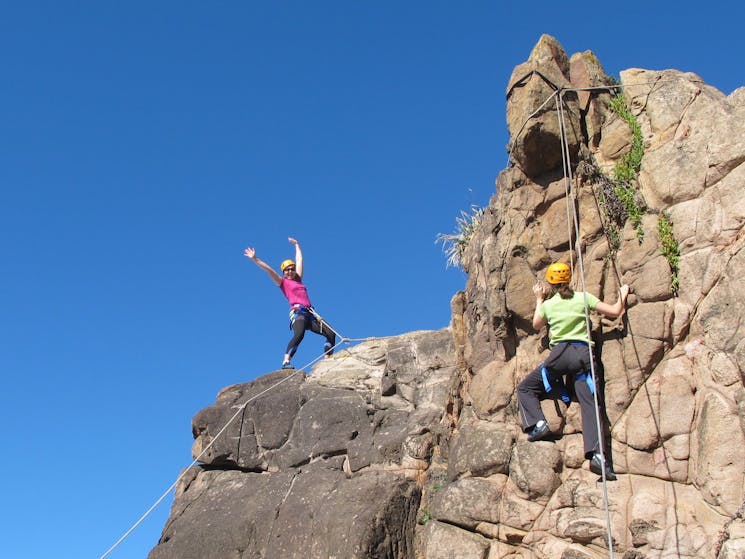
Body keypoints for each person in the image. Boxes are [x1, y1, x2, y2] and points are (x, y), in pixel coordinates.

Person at [517, 262, 630, 481]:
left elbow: (537, 323)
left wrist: (539, 299)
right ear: (569, 280)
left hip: (559, 356)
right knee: (590, 404)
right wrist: (623, 295)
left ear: (551, 283)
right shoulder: (583, 298)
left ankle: (538, 424)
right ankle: (597, 456)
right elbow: (616, 312)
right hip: (583, 356)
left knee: (526, 388)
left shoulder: (549, 305)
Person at [244, 237, 336, 369]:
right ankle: (286, 361)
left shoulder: (299, 280)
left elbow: (299, 260)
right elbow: (269, 271)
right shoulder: (283, 283)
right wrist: (255, 259)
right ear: (284, 272)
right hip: (298, 312)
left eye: (292, 269)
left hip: (310, 313)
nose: (290, 271)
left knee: (330, 333)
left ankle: (328, 357)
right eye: (287, 270)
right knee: (299, 334)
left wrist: (297, 245)